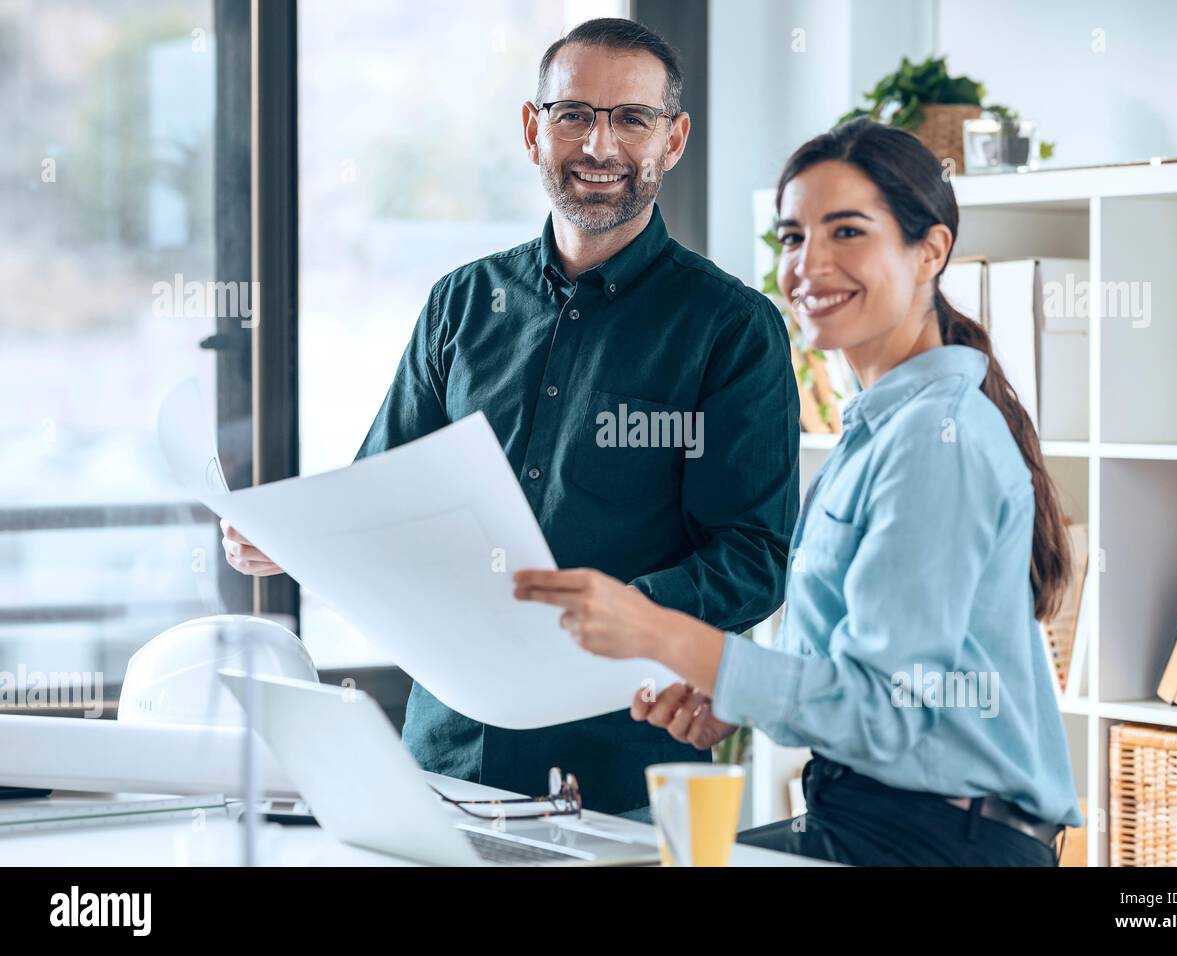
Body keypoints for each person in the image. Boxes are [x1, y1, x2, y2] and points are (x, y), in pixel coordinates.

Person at [220, 17, 799, 817]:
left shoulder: (731, 329)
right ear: (534, 130)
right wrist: (291, 537)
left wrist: (613, 612)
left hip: (620, 770)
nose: (599, 146)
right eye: (573, 114)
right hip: (442, 758)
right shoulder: (460, 304)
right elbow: (381, 498)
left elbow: (754, 558)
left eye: (631, 119)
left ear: (674, 140)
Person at [513, 116, 1086, 865]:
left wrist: (664, 633)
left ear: (931, 251)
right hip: (869, 819)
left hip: (937, 843)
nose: (808, 265)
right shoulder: (879, 430)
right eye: (792, 237)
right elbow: (852, 688)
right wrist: (731, 691)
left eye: (847, 232)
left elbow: (888, 712)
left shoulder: (934, 442)